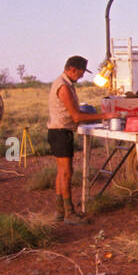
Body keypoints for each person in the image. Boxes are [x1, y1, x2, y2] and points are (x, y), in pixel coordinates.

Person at [48, 55, 94, 224]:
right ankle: (69, 213)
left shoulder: (65, 83)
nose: (82, 76)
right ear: (73, 69)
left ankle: (61, 211)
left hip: (58, 132)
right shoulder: (64, 87)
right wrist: (106, 115)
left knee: (62, 172)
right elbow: (75, 116)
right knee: (66, 173)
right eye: (81, 73)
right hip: (60, 132)